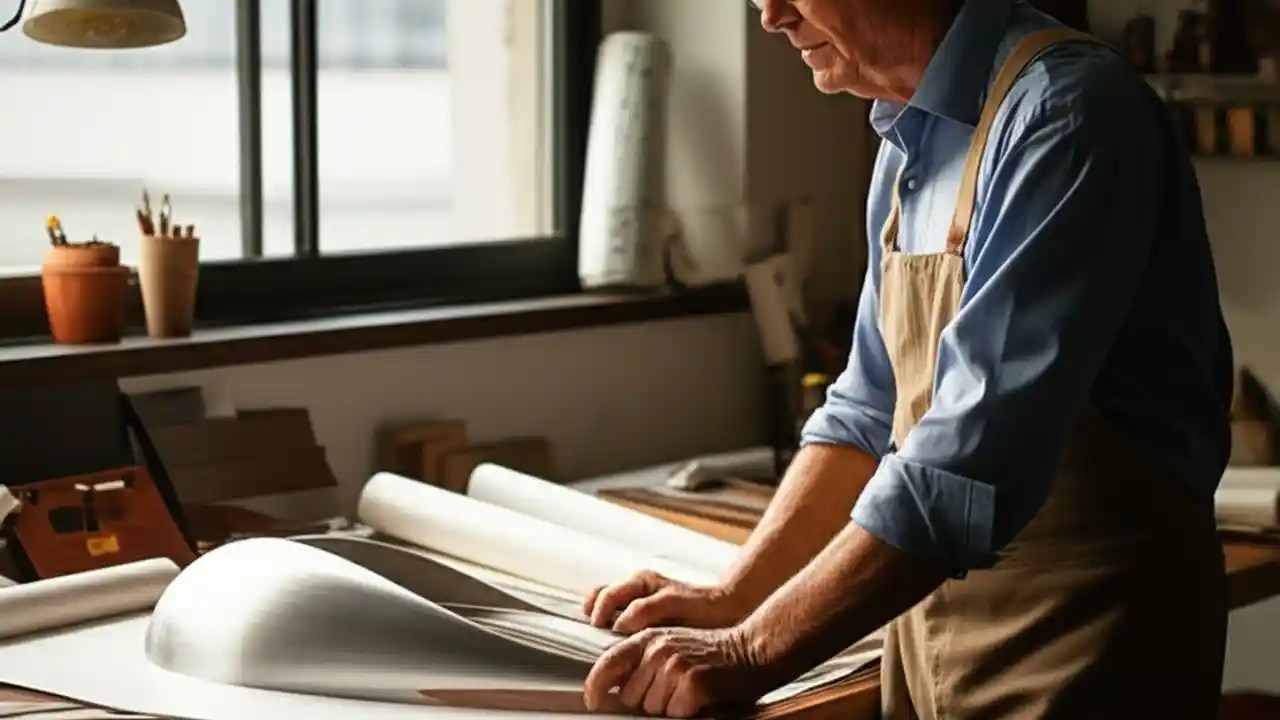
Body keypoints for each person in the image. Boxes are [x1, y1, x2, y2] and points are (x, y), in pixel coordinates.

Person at [581, 0, 1235, 718]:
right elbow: (865, 417)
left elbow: (966, 469)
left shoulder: (1068, 114)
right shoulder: (907, 140)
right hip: (931, 667)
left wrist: (751, 649)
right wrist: (734, 598)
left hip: (1088, 661)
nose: (769, 17)